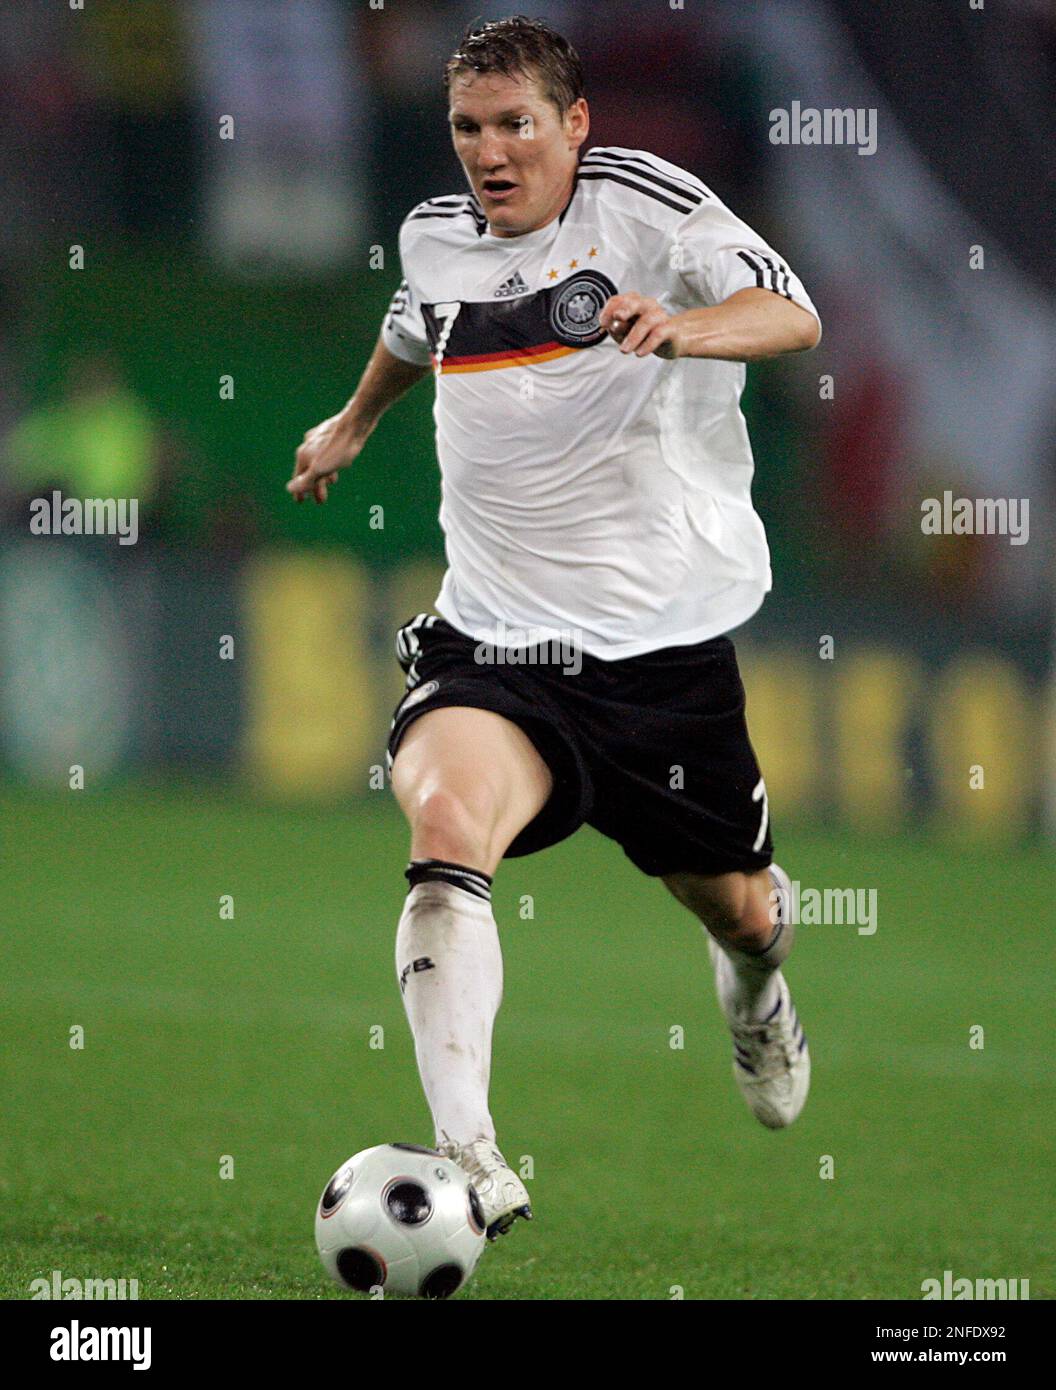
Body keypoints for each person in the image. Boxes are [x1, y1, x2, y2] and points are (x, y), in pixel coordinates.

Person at [289, 16, 821, 1240]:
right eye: (469, 126)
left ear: (574, 125)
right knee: (441, 827)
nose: (490, 150)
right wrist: (356, 420)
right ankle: (469, 1151)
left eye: (516, 123)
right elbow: (414, 328)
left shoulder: (649, 206)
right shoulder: (434, 234)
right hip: (494, 641)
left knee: (741, 908)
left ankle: (754, 989)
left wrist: (684, 325)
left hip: (661, 653)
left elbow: (790, 314)